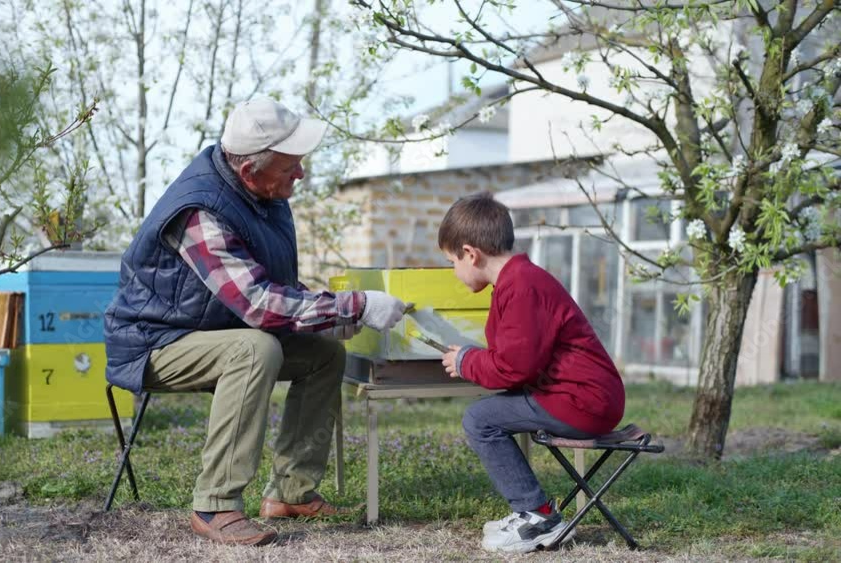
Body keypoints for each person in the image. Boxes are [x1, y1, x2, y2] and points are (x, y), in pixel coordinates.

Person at [104, 98, 408, 546]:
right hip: (156, 341)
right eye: (291, 167)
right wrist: (354, 305)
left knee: (324, 354)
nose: (300, 174)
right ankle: (215, 504)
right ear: (250, 172)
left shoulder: (265, 194)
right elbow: (258, 305)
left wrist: (326, 319)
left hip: (213, 331)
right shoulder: (200, 211)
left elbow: (276, 285)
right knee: (254, 349)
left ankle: (291, 492)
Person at [436, 193, 625, 554]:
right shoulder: (519, 280)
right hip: (581, 397)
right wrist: (477, 359)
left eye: (451, 262)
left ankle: (537, 517)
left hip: (582, 401)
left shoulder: (521, 285)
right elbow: (519, 362)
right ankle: (533, 513)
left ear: (470, 253)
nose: (454, 271)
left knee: (480, 419)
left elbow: (513, 368)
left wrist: (466, 362)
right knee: (487, 413)